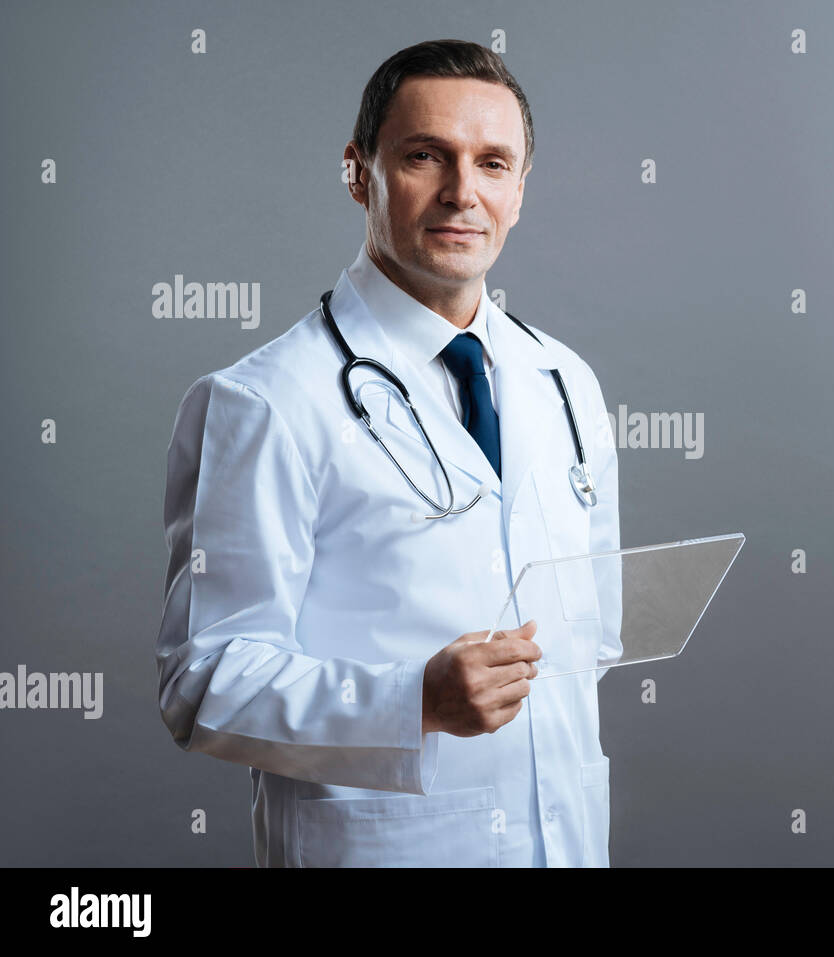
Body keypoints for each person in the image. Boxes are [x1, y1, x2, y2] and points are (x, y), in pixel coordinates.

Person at [155, 39, 620, 867]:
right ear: (357, 171)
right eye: (424, 157)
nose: (462, 193)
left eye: (492, 163)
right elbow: (204, 683)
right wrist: (414, 702)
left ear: (520, 192)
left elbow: (592, 636)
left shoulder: (566, 384)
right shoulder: (264, 401)